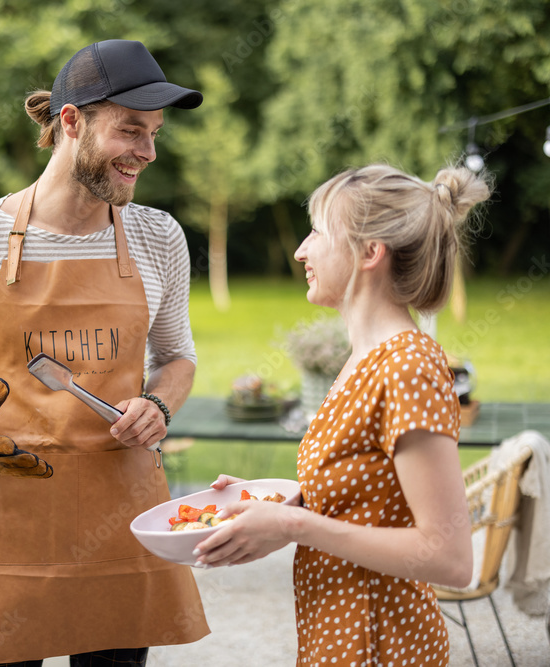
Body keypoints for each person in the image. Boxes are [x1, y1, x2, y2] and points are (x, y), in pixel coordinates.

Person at [0, 40, 210, 666]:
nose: (146, 153)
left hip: (123, 521)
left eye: (154, 134)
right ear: (71, 121)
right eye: (130, 131)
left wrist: (158, 403)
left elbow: (178, 355)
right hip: (15, 524)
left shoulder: (158, 236)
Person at [193, 163, 491, 665]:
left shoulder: (408, 366)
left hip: (382, 645)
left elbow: (450, 558)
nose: (300, 250)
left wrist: (293, 527)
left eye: (316, 232)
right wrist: (275, 510)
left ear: (370, 252)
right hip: (339, 640)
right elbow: (368, 503)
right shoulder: (362, 360)